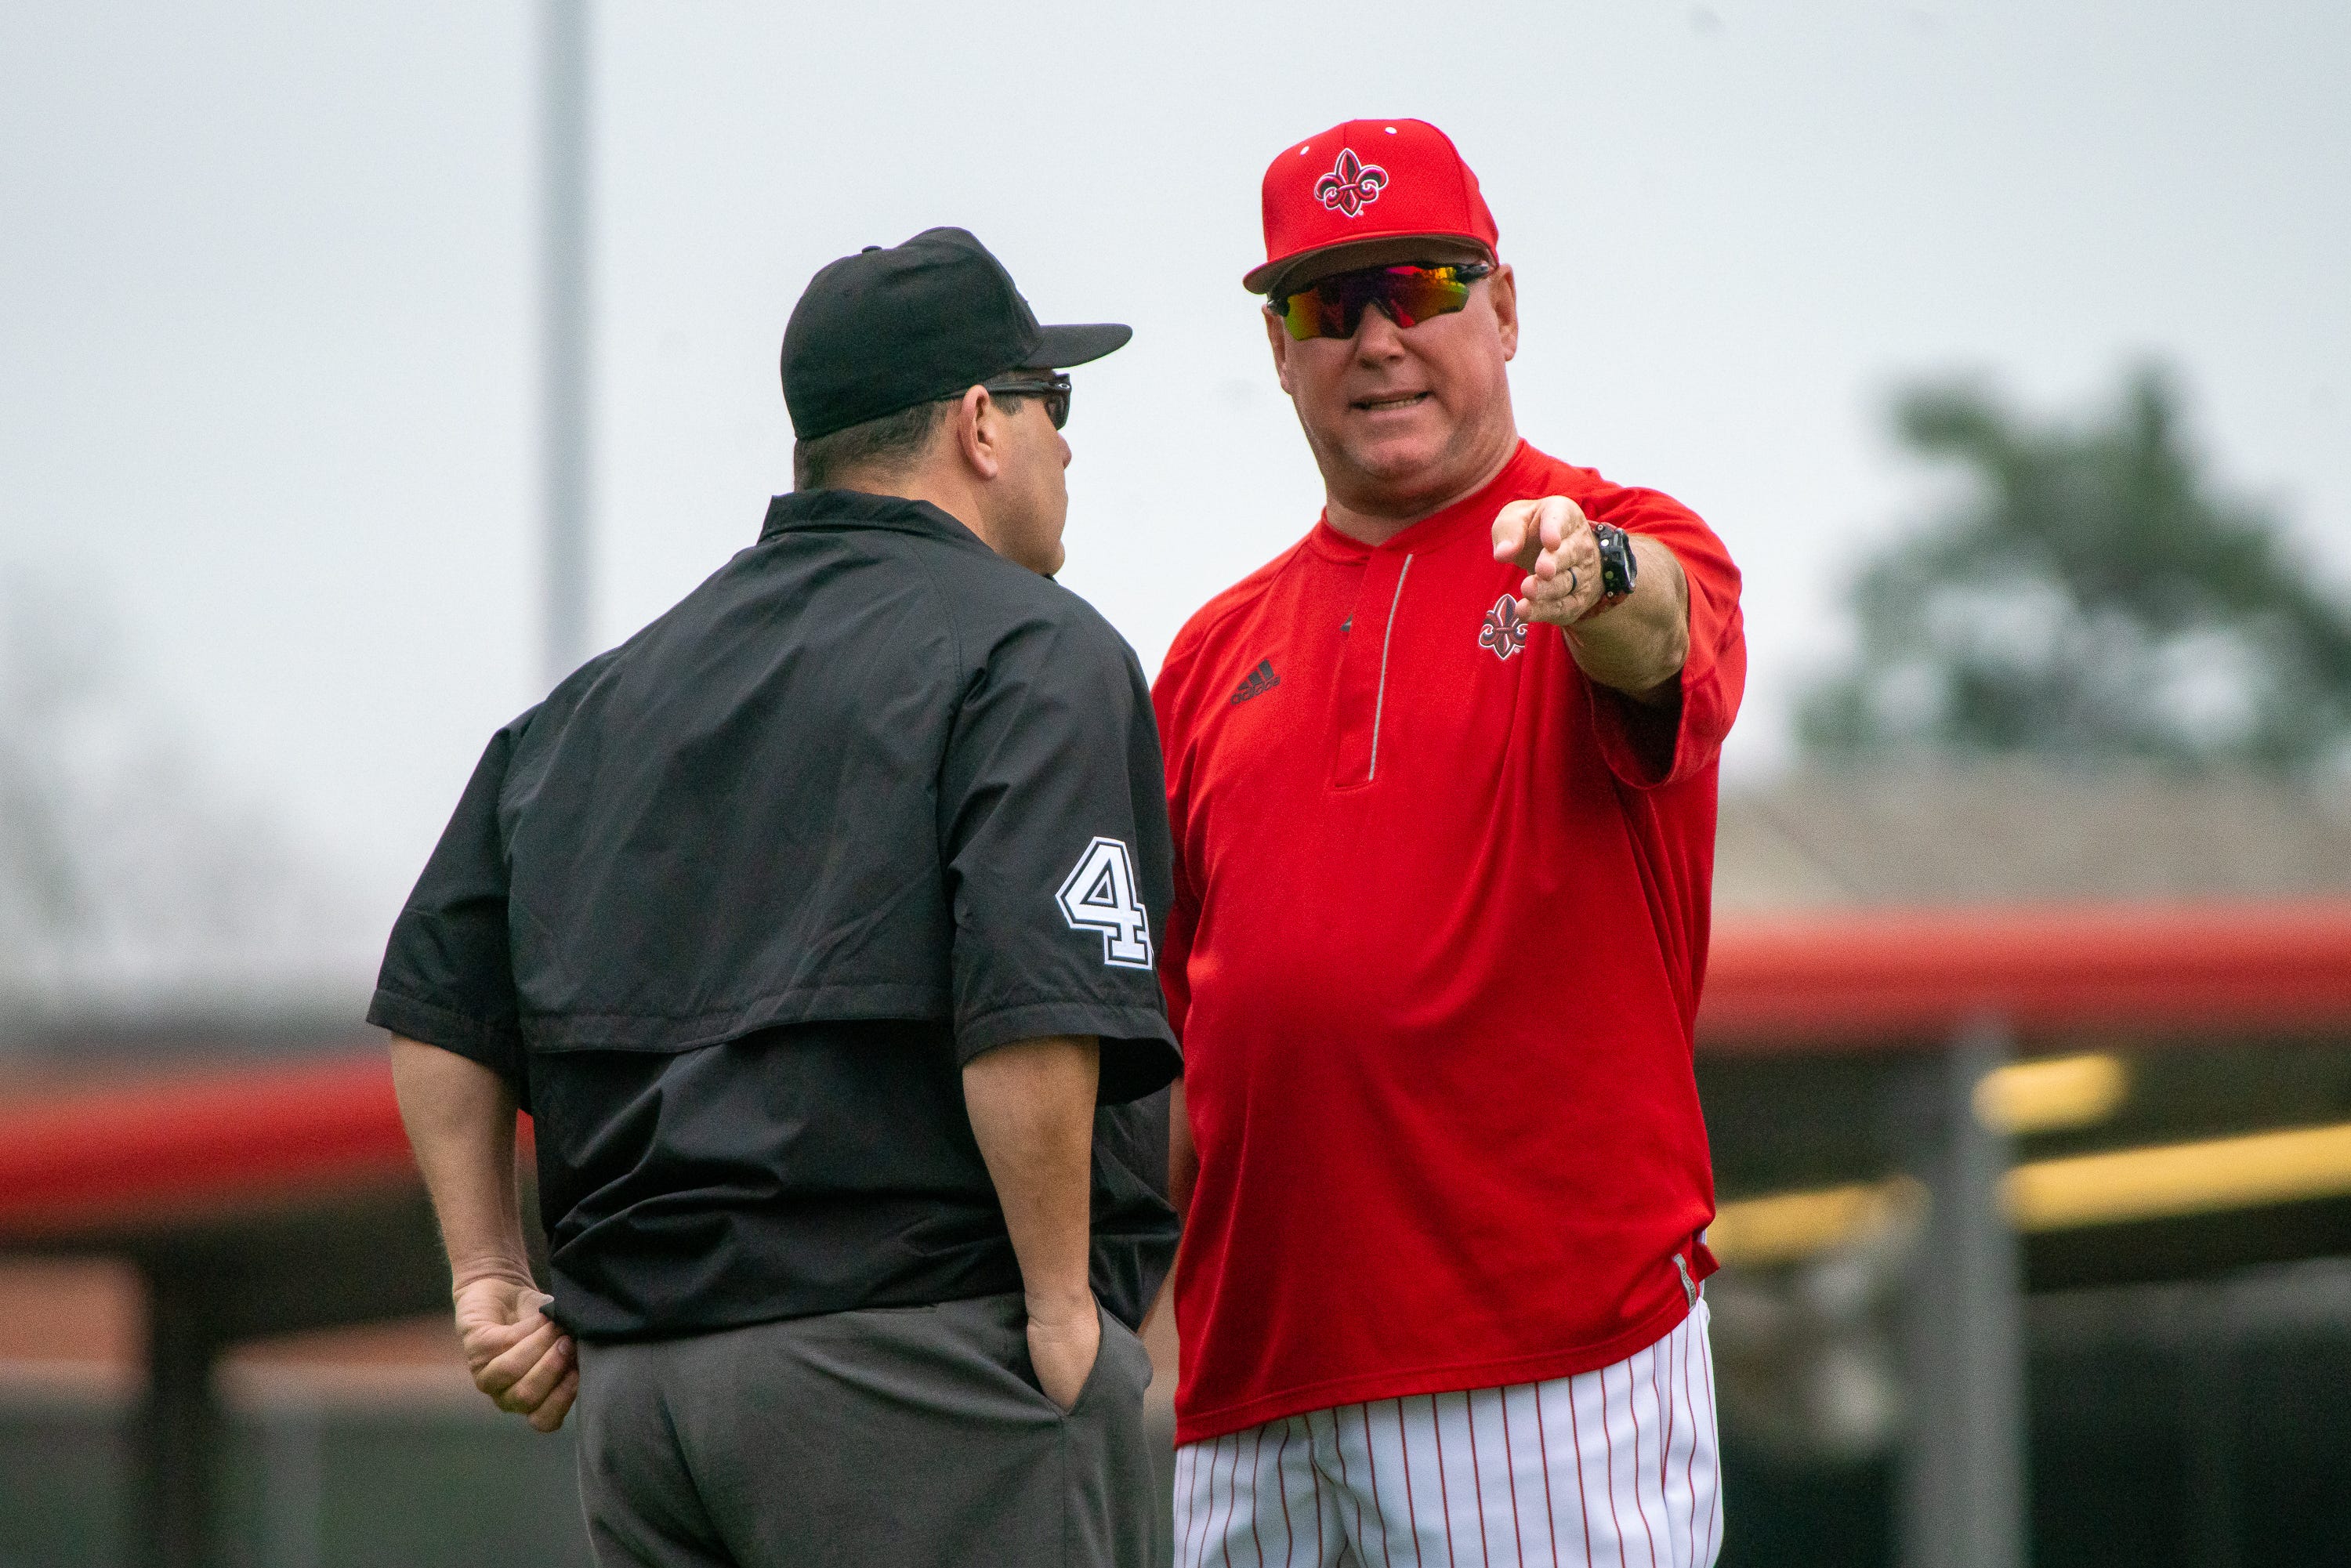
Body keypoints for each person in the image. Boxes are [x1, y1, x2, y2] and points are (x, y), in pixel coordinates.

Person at [371, 226, 1182, 1568]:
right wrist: (1060, 1309)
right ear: (981, 425)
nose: (1066, 445)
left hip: (644, 1403)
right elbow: (1030, 1009)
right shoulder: (1033, 648)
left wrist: (487, 1274)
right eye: (1053, 401)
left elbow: (440, 1003)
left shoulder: (604, 699)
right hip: (925, 1373)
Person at [1154, 121, 1746, 1566]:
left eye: (1418, 285)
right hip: (1254, 1391)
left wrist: (1594, 576)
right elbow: (1165, 1054)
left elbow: (1659, 631)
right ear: (1280, 348)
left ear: (1505, 306)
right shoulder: (1210, 654)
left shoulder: (1613, 531)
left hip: (1547, 1374)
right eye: (1326, 303)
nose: (1376, 339)